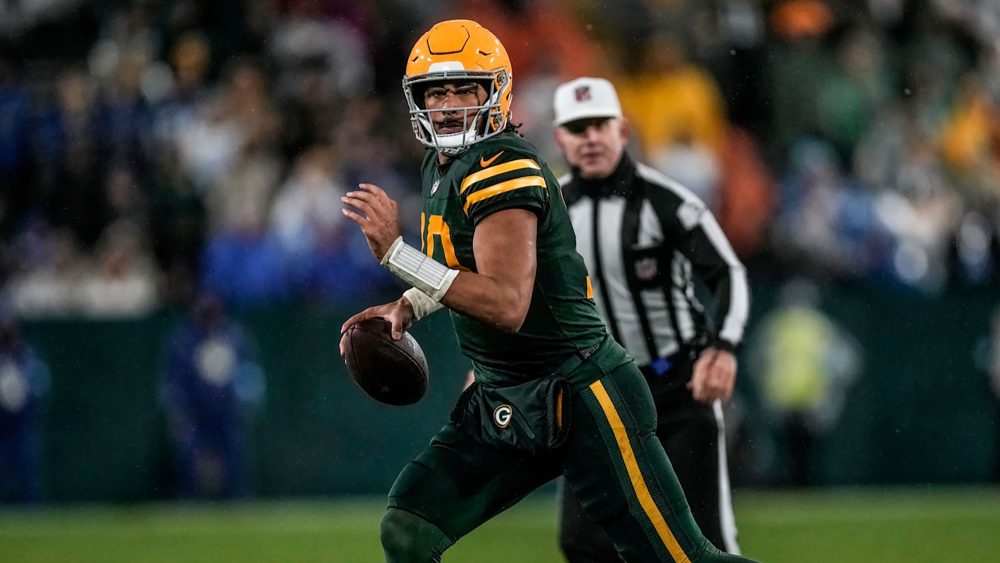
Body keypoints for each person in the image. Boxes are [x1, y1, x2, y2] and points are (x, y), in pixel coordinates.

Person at [339, 19, 758, 563]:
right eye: (435, 92)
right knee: (409, 526)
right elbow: (459, 264)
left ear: (495, 92)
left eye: (465, 88)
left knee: (682, 560)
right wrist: (409, 303)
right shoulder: (442, 166)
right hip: (504, 395)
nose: (448, 104)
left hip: (582, 389)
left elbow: (507, 304)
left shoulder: (503, 166)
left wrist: (397, 255)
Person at [551, 77, 751, 559]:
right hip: (601, 397)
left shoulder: (667, 202)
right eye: (578, 129)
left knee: (703, 543)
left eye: (599, 125)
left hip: (677, 388)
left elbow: (728, 273)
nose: (591, 138)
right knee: (583, 542)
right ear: (560, 139)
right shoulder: (546, 208)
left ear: (623, 129)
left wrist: (723, 347)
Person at [161, 292, 264, 499]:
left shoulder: (234, 337)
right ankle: (189, 503)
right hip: (195, 411)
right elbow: (174, 381)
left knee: (235, 456)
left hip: (227, 410)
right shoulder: (184, 340)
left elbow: (248, 373)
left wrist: (247, 402)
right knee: (189, 457)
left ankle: (238, 502)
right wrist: (178, 413)